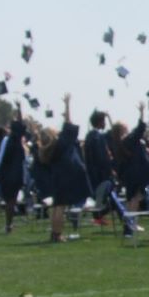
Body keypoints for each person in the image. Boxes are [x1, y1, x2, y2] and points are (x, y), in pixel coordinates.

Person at [42, 93, 93, 243]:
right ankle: (57, 235)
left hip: (58, 177)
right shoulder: (61, 144)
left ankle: (55, 234)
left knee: (58, 206)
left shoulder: (47, 148)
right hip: (67, 177)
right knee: (61, 207)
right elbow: (68, 124)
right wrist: (67, 105)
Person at [0, 105, 29, 233]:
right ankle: (9, 225)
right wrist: (19, 109)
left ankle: (8, 224)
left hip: (5, 174)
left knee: (9, 201)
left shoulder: (7, 140)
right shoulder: (16, 142)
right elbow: (20, 126)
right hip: (14, 175)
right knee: (12, 201)